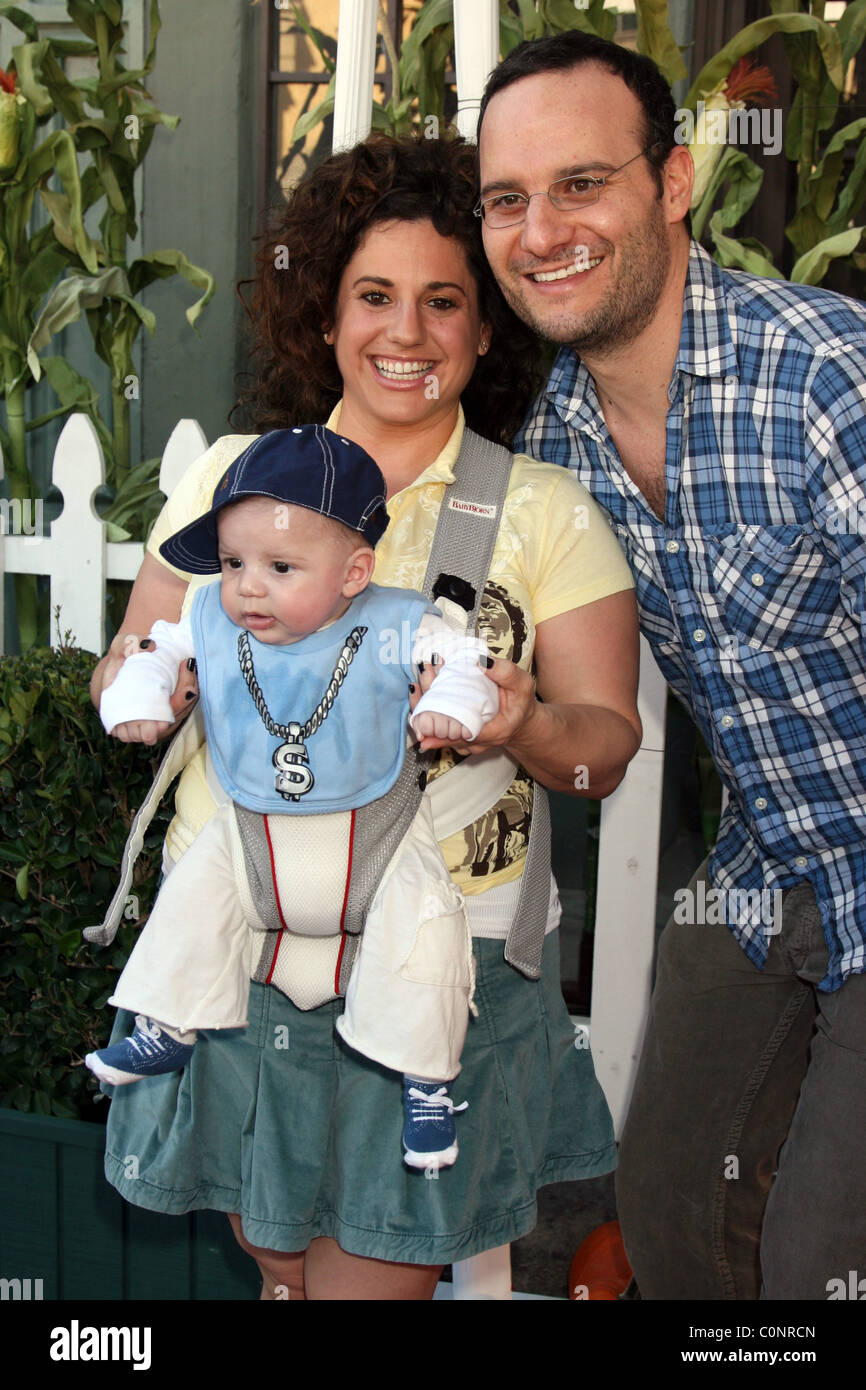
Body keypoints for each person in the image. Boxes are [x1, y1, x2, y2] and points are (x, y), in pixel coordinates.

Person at [90, 133, 641, 1300]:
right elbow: (131, 658)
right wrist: (154, 687)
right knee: (275, 1256)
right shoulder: (230, 478)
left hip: (444, 955)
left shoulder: (545, 512)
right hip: (234, 945)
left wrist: (521, 724)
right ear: (325, 314)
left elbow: (604, 746)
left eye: (443, 302)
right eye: (373, 296)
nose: (405, 332)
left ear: (486, 326)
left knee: (368, 1272)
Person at [476, 29, 866, 1301]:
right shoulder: (557, 449)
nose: (541, 231)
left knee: (821, 1260)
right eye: (508, 201)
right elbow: (557, 708)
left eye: (580, 184)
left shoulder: (823, 378)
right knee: (666, 1211)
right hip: (769, 859)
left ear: (676, 183)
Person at [85, 425, 500, 1173]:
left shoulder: (398, 620)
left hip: (373, 833)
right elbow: (153, 655)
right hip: (250, 832)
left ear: (353, 573)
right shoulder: (210, 615)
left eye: (279, 565)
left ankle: (428, 1079)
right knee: (192, 903)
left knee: (425, 927)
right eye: (233, 561)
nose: (247, 585)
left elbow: (462, 657)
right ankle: (166, 1024)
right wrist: (135, 702)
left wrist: (456, 705)